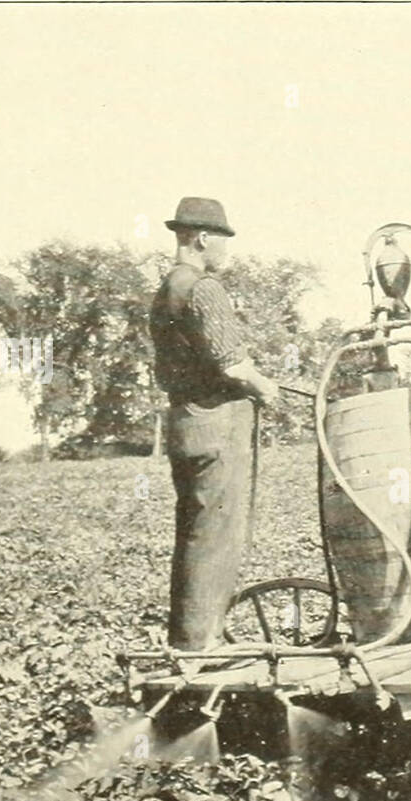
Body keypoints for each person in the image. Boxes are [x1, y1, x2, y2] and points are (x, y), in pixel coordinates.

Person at [149, 196, 278, 650]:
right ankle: (201, 646)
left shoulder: (166, 289)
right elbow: (233, 365)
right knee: (216, 538)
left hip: (185, 424)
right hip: (216, 424)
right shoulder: (203, 289)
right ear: (203, 239)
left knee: (195, 533)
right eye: (224, 241)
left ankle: (191, 638)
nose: (226, 251)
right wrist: (267, 387)